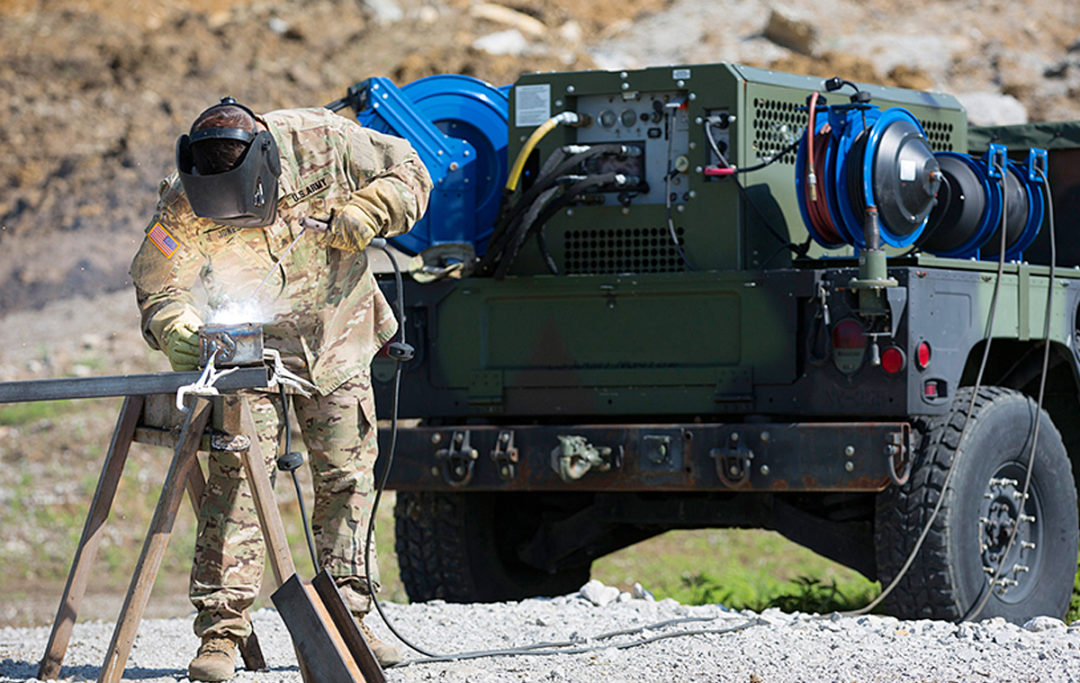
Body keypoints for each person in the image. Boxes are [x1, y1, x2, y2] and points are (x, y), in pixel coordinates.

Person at [129, 97, 432, 681]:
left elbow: (413, 172)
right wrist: (175, 327)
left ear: (265, 162)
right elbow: (157, 282)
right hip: (249, 352)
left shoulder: (325, 141)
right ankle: (221, 634)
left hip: (338, 335)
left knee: (347, 476)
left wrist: (373, 207)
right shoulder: (185, 199)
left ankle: (351, 616)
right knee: (238, 477)